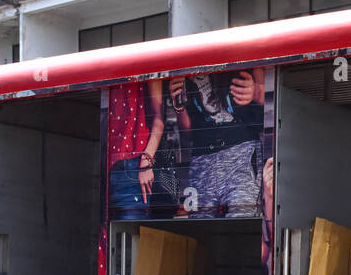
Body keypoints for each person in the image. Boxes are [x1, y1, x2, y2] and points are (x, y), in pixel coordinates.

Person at [169, 69, 266, 219]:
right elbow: (188, 134)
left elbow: (266, 95)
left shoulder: (236, 52)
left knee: (241, 221)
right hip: (202, 157)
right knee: (202, 228)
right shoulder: (184, 64)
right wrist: (179, 106)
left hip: (240, 152)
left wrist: (254, 93)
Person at [107, 79, 166, 219]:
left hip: (134, 166)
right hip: (103, 162)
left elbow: (158, 117)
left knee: (130, 232)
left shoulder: (144, 61)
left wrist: (146, 161)